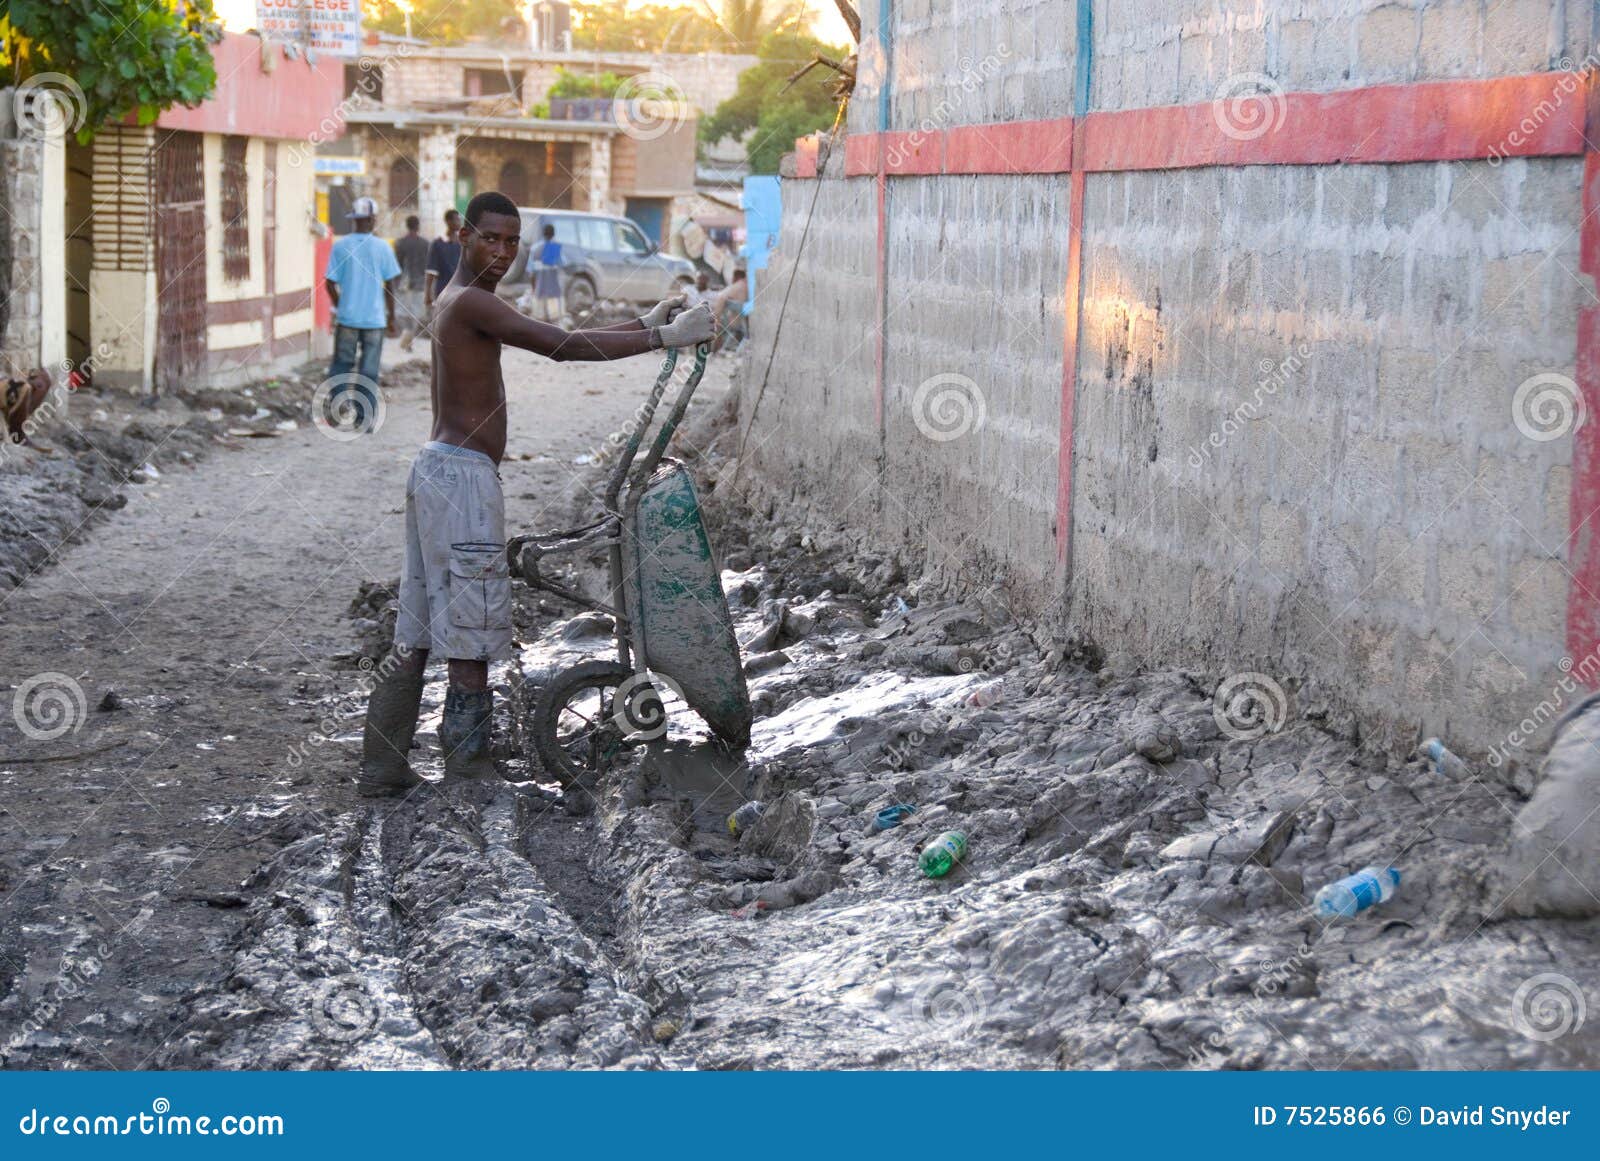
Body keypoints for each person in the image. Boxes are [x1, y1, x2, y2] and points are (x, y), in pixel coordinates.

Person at [359, 191, 712, 792]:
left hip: (437, 470)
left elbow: (563, 332)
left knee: (418, 628)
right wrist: (665, 340)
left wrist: (647, 323)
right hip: (463, 478)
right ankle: (467, 767)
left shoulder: (461, 297)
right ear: (463, 235)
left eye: (511, 241)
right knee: (468, 628)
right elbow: (562, 346)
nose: (501, 251)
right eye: (489, 239)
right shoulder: (473, 302)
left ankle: (382, 768)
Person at [324, 196, 400, 391]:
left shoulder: (340, 246)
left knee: (341, 366)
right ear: (372, 219)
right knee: (369, 372)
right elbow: (390, 286)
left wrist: (340, 304)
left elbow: (329, 282)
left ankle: (337, 406)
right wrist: (391, 317)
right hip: (374, 320)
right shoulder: (383, 247)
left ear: (354, 219)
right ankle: (363, 417)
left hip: (347, 318)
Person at [393, 214, 429, 351]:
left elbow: (396, 264)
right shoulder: (425, 244)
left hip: (402, 280)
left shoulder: (400, 243)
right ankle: (410, 335)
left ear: (407, 226)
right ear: (418, 227)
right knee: (416, 311)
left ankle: (405, 331)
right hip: (419, 281)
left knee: (400, 310)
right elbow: (427, 264)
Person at [423, 209, 462, 325]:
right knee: (443, 323)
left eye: (459, 219)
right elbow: (431, 272)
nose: (459, 222)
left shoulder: (463, 244)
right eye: (456, 219)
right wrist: (427, 295)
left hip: (461, 290)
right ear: (448, 222)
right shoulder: (437, 243)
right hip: (442, 291)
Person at [710, 266, 749, 353]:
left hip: (730, 322)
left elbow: (721, 298)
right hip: (740, 322)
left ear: (736, 277)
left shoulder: (737, 286)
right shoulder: (745, 286)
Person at [532, 222, 563, 322]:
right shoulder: (557, 248)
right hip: (553, 292)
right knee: (554, 321)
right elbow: (562, 265)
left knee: (539, 320)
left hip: (539, 292)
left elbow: (531, 272)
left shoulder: (535, 249)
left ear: (543, 234)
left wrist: (533, 288)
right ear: (554, 234)